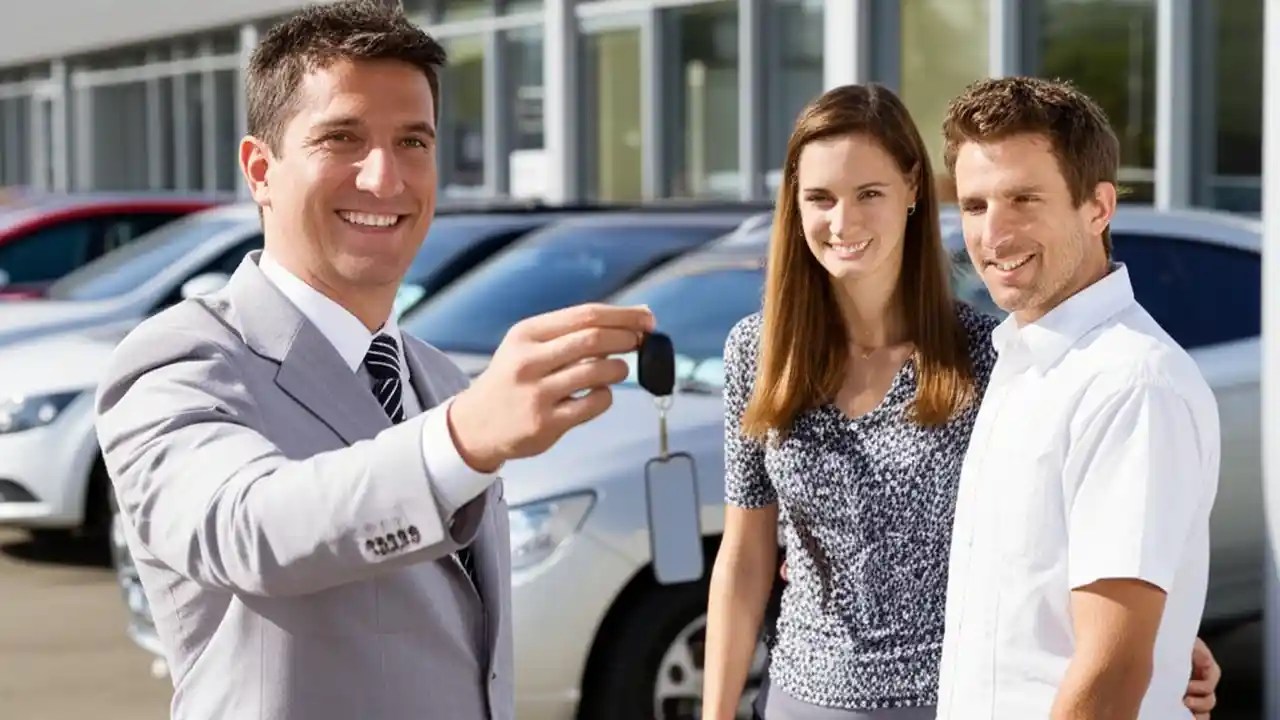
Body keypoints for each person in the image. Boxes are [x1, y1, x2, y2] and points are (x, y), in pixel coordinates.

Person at [92, 3, 652, 719]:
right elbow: (248, 527)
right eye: (342, 138)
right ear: (261, 170)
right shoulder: (179, 359)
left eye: (413, 141)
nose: (386, 178)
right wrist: (461, 439)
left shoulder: (437, 376)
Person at [702, 83, 1222, 720]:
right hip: (801, 694)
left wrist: (1158, 641)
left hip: (940, 698)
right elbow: (746, 550)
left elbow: (1093, 600)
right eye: (820, 198)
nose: (844, 222)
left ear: (914, 191)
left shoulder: (991, 354)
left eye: (869, 193)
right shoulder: (759, 353)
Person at [934, 76, 1221, 720]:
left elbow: (1111, 666)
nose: (993, 235)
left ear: (1098, 207)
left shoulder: (1130, 383)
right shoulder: (1024, 363)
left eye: (1024, 200)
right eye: (975, 206)